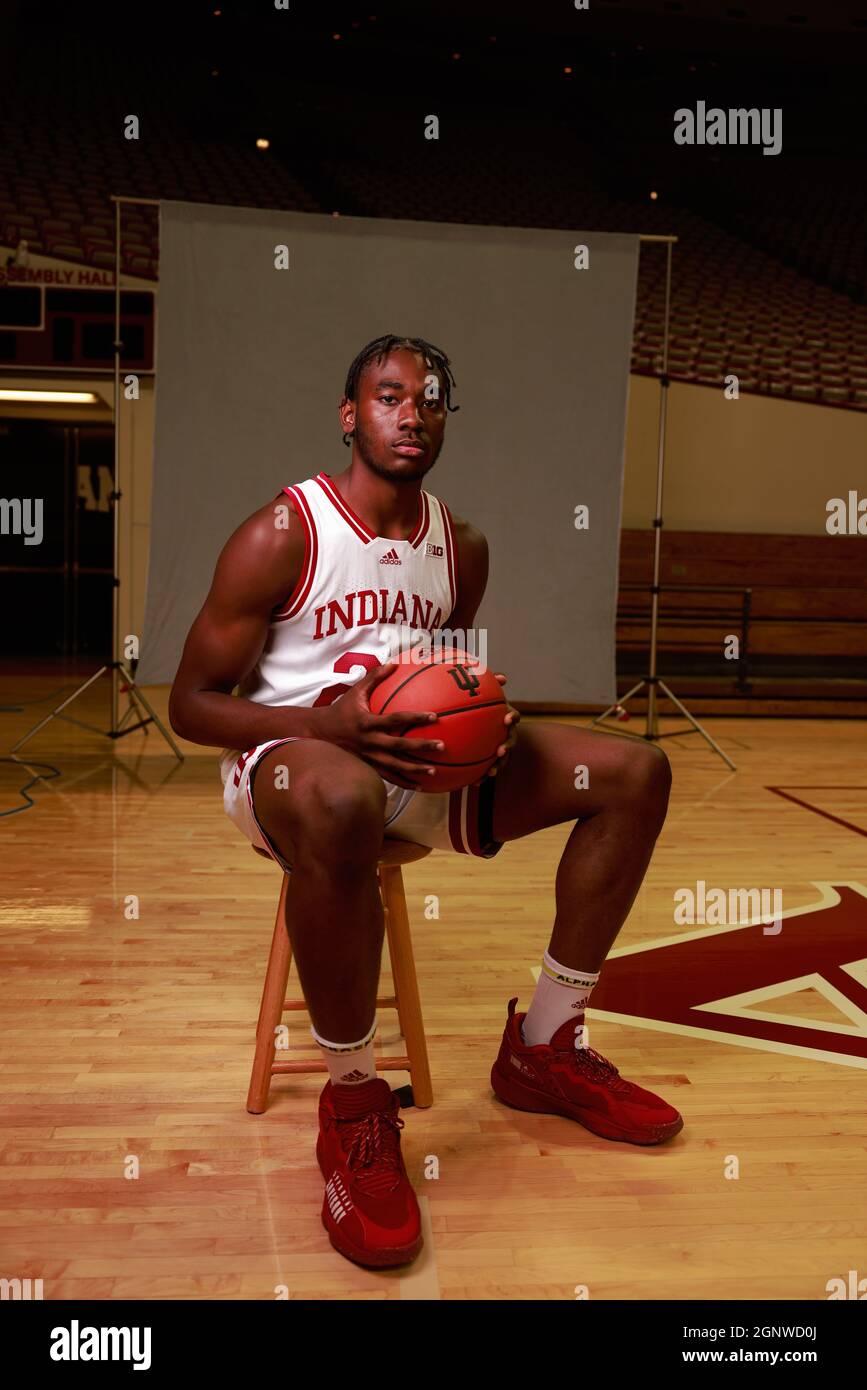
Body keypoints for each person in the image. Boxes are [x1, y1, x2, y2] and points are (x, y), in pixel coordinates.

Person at [169, 334, 682, 1270]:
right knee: (341, 799)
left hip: (408, 774)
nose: (412, 414)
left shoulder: (462, 545)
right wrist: (328, 726)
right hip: (292, 768)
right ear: (349, 413)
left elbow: (434, 673)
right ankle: (356, 1104)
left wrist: (474, 709)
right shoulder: (284, 532)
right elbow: (189, 705)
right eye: (390, 396)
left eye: (430, 401)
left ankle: (544, 1047)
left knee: (635, 775)